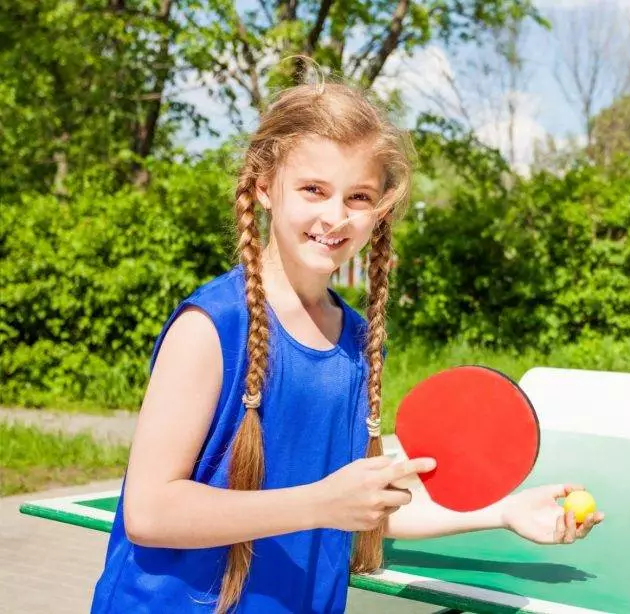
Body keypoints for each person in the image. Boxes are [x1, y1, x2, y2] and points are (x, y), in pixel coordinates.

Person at [90, 77, 602, 614]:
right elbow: (149, 512)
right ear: (265, 186)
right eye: (314, 189)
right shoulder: (211, 328)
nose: (335, 216)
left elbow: (359, 509)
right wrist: (319, 504)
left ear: (379, 209)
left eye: (358, 197)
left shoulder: (357, 341)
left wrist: (504, 511)